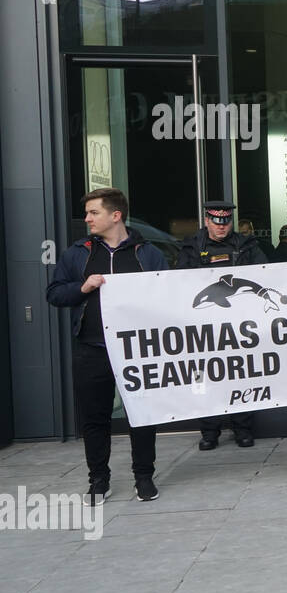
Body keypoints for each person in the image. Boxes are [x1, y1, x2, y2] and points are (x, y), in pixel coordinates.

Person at [46, 188, 168, 504]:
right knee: (94, 418)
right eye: (87, 213)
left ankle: (144, 477)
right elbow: (55, 294)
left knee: (142, 415)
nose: (87, 219)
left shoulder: (148, 252)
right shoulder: (77, 252)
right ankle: (99, 480)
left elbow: (168, 295)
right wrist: (83, 287)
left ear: (115, 215)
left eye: (93, 213)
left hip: (136, 350)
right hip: (92, 348)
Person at [176, 199, 269, 449]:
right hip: (204, 326)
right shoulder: (191, 247)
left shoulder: (246, 245)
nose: (221, 227)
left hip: (240, 324)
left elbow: (266, 272)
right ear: (207, 221)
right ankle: (209, 431)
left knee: (241, 373)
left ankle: (242, 428)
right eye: (216, 222)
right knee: (206, 377)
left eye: (226, 222)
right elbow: (178, 282)